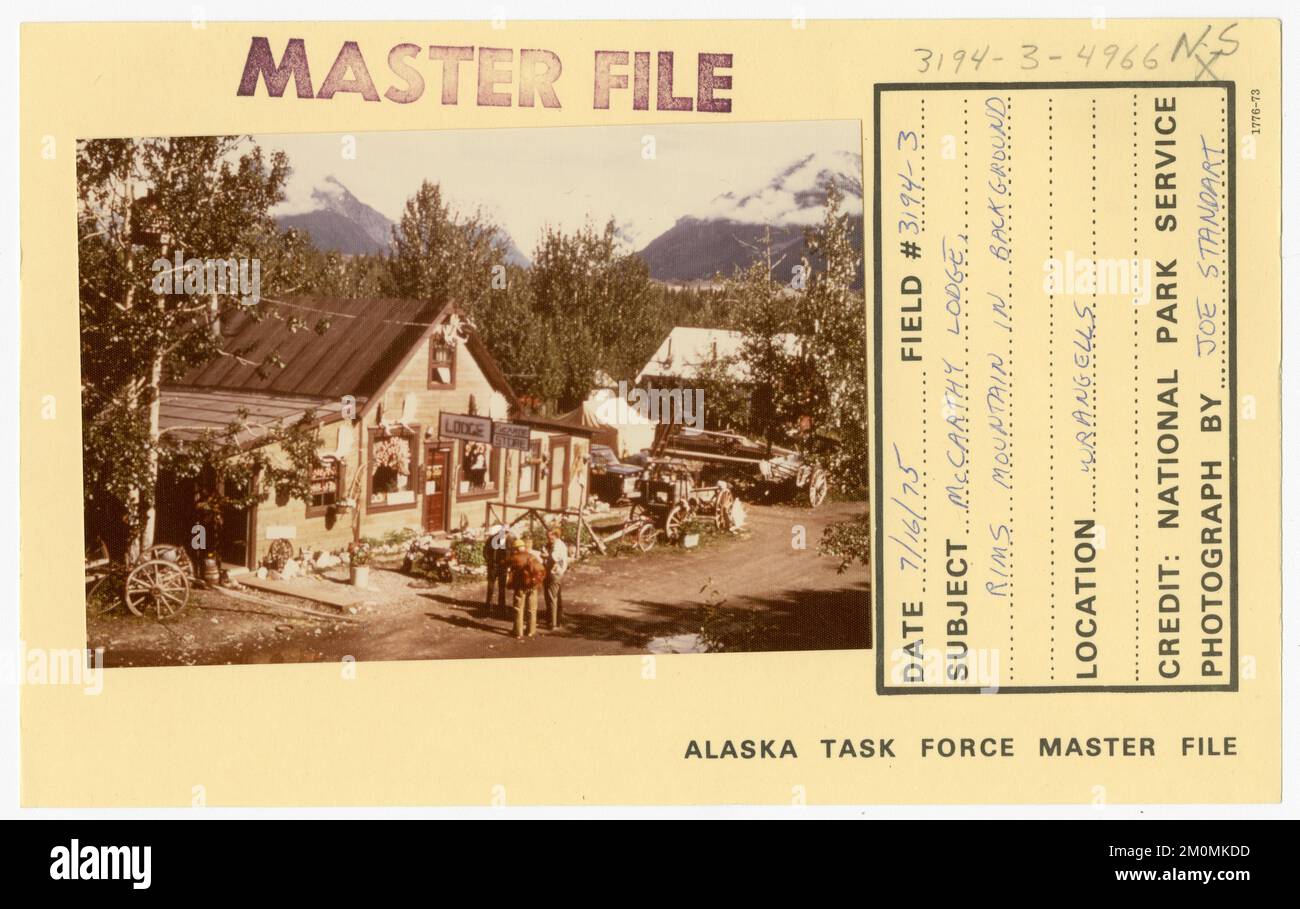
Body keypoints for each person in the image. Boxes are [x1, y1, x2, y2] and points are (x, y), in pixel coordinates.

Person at [504, 537, 545, 639]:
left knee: (518, 608)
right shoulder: (532, 556)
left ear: (516, 549)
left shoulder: (515, 557)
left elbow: (504, 563)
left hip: (520, 586)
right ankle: (531, 631)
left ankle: (518, 632)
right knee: (532, 608)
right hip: (533, 586)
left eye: (514, 549)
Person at [543, 525, 569, 630]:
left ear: (555, 535)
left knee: (552, 597)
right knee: (555, 596)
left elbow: (554, 557)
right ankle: (556, 620)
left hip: (555, 572)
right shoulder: (557, 544)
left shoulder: (557, 545)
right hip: (556, 572)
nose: (549, 538)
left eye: (550, 536)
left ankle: (553, 623)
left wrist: (545, 554)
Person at [482, 525, 509, 614]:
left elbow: (511, 552)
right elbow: (485, 551)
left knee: (497, 587)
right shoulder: (495, 539)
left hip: (499, 566)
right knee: (495, 586)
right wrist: (489, 561)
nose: (505, 533)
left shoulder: (507, 540)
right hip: (496, 566)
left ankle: (496, 606)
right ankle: (494, 605)